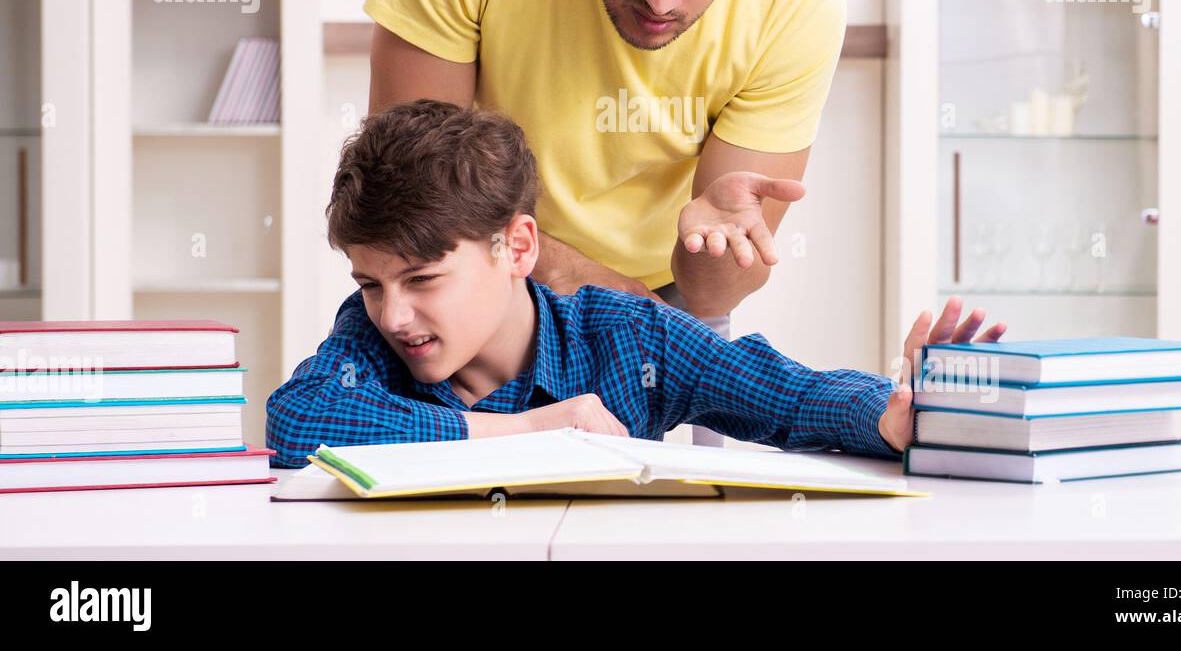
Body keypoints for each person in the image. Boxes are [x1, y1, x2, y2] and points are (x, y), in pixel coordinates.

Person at [364, 0, 849, 449]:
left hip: (662, 310)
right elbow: (409, 195)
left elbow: (710, 299)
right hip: (485, 288)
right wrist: (611, 301)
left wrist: (708, 253)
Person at [265, 100, 1007, 469]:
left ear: (517, 245)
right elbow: (298, 425)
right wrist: (529, 433)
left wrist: (890, 417)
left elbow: (789, 393)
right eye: (371, 282)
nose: (394, 313)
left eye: (423, 278)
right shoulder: (366, 338)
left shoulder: (629, 339)